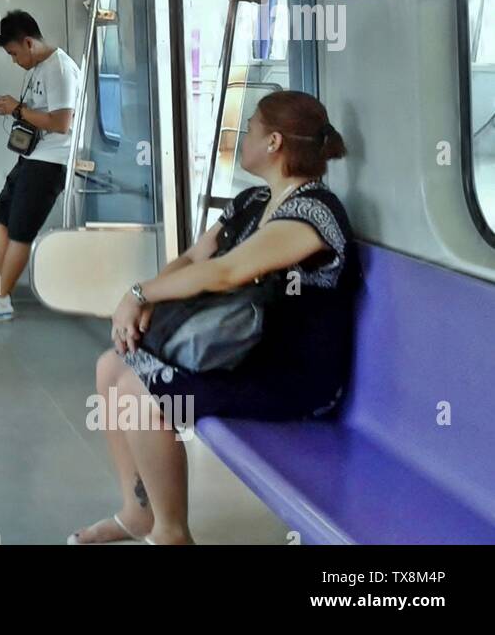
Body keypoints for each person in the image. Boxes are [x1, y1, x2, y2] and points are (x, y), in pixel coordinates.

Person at [72, 91, 356, 545]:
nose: (243, 137)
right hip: (240, 352)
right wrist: (148, 305)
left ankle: (171, 532)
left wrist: (137, 291)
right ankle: (137, 512)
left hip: (290, 375)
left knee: (141, 394)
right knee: (112, 366)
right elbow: (192, 259)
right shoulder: (251, 202)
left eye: (250, 130)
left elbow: (226, 273)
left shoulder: (311, 213)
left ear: (274, 143)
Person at [0, 10, 80, 322]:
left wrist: (18, 109)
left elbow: (62, 123)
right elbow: (37, 114)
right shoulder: (40, 68)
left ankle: (1, 302)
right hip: (31, 159)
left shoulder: (60, 69)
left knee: (21, 233)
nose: (14, 60)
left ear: (28, 42)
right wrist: (12, 110)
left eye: (13, 53)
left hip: (50, 163)